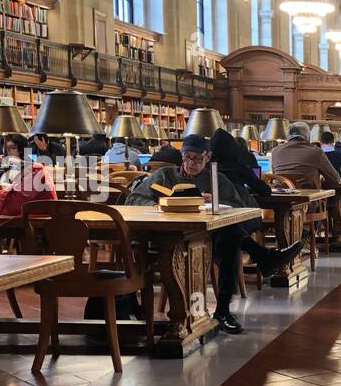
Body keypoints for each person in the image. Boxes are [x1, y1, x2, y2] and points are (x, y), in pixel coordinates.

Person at [127, 134, 302, 332]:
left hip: (208, 238)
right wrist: (161, 204)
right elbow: (133, 199)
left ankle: (223, 310)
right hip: (168, 238)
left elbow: (238, 207)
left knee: (230, 240)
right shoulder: (164, 176)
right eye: (187, 157)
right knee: (232, 238)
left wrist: (215, 204)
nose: (191, 163)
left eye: (197, 158)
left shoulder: (216, 179)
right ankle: (263, 257)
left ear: (208, 157)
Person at [269, 122, 341, 191]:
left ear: (288, 135)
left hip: (281, 201)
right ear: (308, 136)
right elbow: (335, 179)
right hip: (309, 202)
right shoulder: (316, 152)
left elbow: (275, 176)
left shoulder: (275, 151)